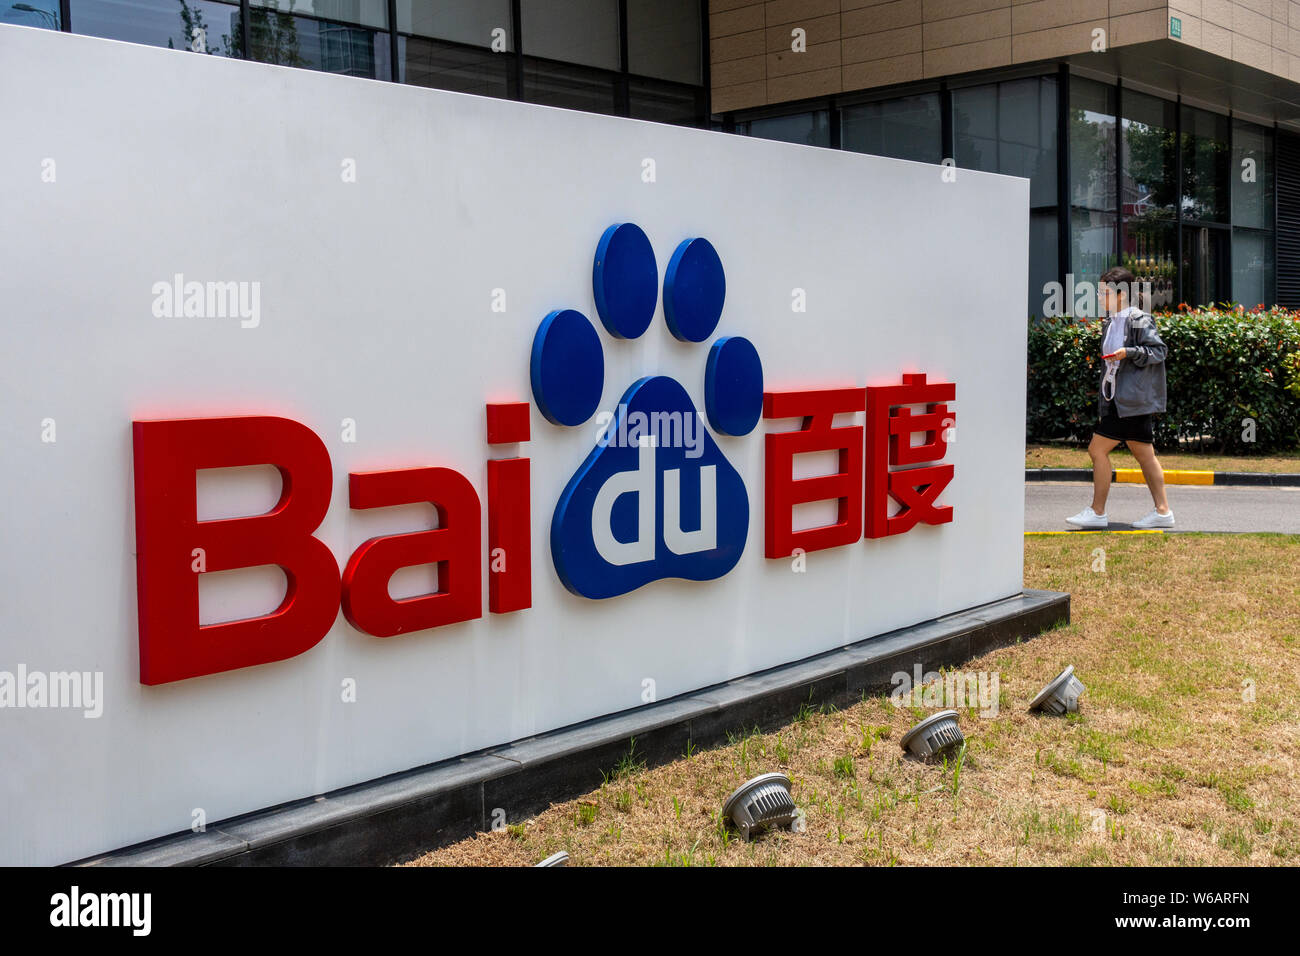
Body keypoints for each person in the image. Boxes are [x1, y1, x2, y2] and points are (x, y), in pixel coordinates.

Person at [1066, 267, 1174, 530]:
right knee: (1145, 455)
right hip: (1118, 399)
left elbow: (1159, 351)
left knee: (1097, 449)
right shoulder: (1110, 321)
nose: (1100, 297)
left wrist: (1128, 352)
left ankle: (1098, 512)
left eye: (1104, 292)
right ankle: (1162, 512)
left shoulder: (1138, 319)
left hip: (1132, 402)